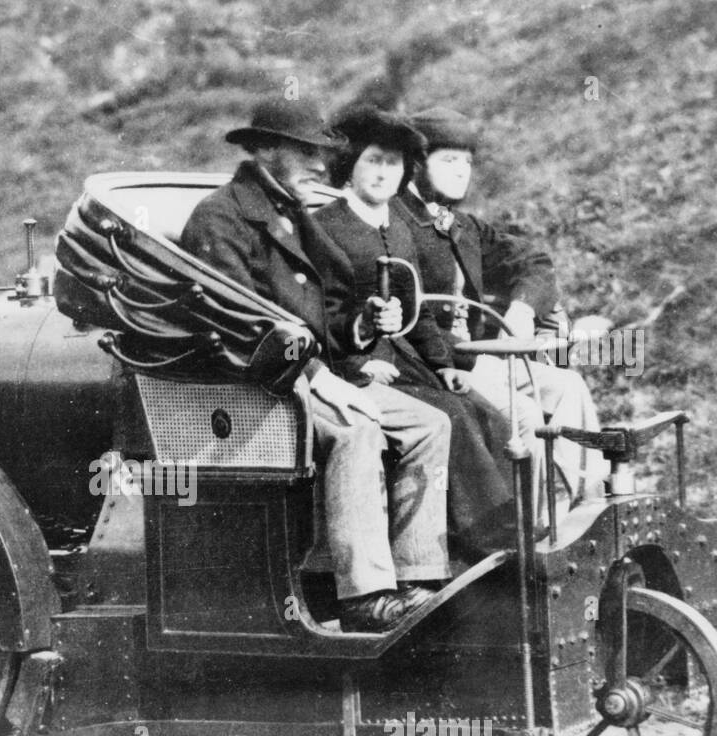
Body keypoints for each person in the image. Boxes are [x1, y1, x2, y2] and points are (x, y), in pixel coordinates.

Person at [180, 99, 452, 632]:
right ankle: (367, 595)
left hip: (307, 376)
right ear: (261, 150)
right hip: (252, 386)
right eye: (304, 151)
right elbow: (239, 325)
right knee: (355, 427)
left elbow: (330, 315)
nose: (321, 165)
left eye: (322, 154)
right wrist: (319, 377)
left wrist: (365, 325)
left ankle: (418, 573)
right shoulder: (222, 217)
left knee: (429, 424)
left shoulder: (294, 215)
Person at [312, 107, 521, 555]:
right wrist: (360, 361)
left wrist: (443, 365)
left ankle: (512, 528)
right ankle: (485, 542)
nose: (384, 174)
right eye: (373, 161)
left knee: (491, 415)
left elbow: (419, 311)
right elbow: (318, 317)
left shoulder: (398, 230)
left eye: (394, 164)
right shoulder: (325, 229)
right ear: (348, 165)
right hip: (355, 370)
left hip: (408, 360)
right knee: (451, 416)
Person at [393, 107, 607, 510]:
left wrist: (523, 309)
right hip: (432, 365)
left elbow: (533, 261)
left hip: (480, 359)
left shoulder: (462, 226)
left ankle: (587, 501)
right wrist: (466, 354)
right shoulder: (393, 223)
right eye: (449, 160)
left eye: (468, 162)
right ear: (416, 164)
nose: (462, 172)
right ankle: (539, 525)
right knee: (522, 412)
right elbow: (404, 319)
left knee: (567, 387)